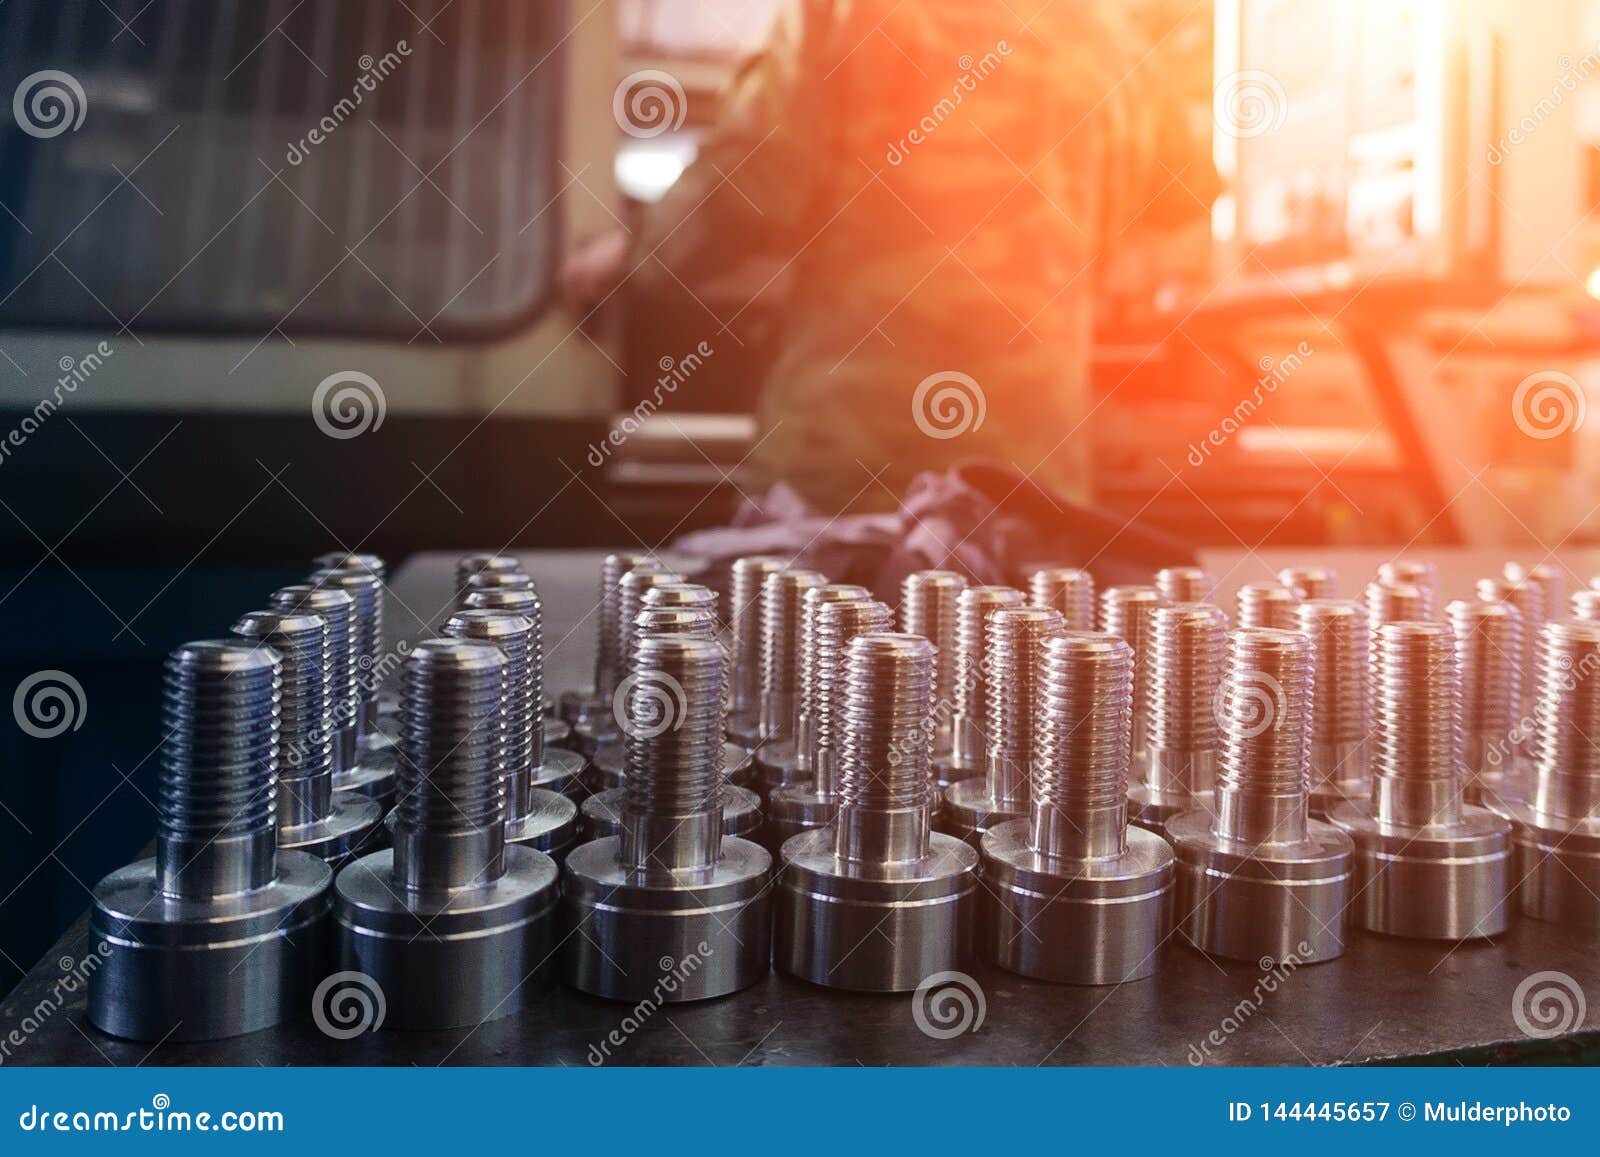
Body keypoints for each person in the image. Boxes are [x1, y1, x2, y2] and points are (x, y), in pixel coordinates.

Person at [563, 0, 1216, 514]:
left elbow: (748, 190)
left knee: (824, 677)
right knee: (1008, 676)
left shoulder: (846, 11)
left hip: (853, 472)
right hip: (1028, 486)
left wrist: (626, 257)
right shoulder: (1107, 28)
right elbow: (1181, 206)